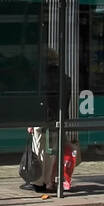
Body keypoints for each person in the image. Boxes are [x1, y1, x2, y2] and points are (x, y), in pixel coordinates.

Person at [36, 47, 79, 195]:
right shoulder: (65, 77)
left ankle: (45, 182)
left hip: (44, 119)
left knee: (45, 152)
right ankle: (53, 180)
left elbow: (40, 100)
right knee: (56, 151)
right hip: (59, 119)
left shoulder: (41, 77)